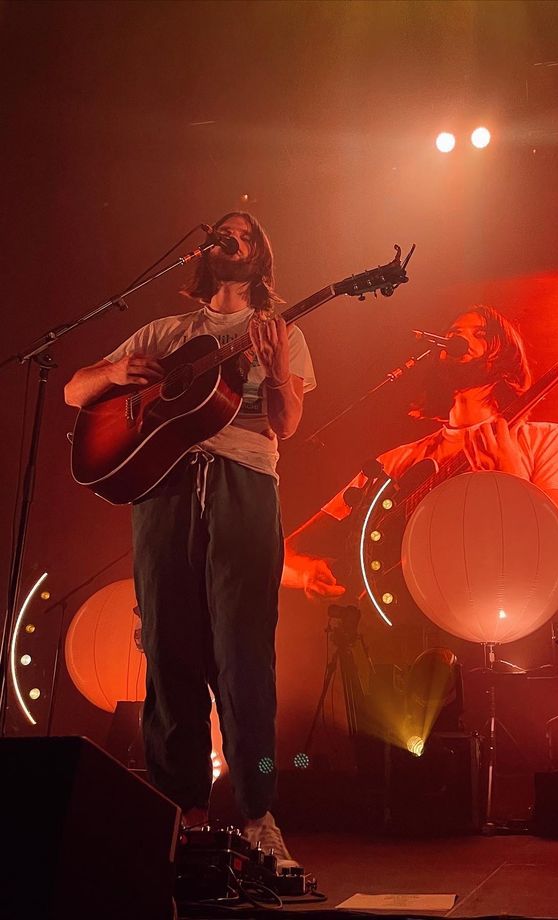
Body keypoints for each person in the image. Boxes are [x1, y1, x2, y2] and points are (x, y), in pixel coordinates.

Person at [64, 212, 315, 861]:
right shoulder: (164, 332)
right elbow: (74, 389)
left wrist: (279, 366)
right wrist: (117, 375)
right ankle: (183, 814)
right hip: (163, 489)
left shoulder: (279, 331)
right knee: (169, 653)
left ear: (261, 255)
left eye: (248, 233)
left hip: (245, 485)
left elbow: (285, 424)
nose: (234, 239)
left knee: (244, 655)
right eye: (225, 232)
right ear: (208, 253)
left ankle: (259, 813)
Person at [282, 305, 558, 612]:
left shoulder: (548, 440)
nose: (459, 337)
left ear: (506, 355)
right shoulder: (396, 460)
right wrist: (307, 573)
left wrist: (512, 478)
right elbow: (282, 556)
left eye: (481, 334)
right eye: (454, 333)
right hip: (398, 627)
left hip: (500, 621)